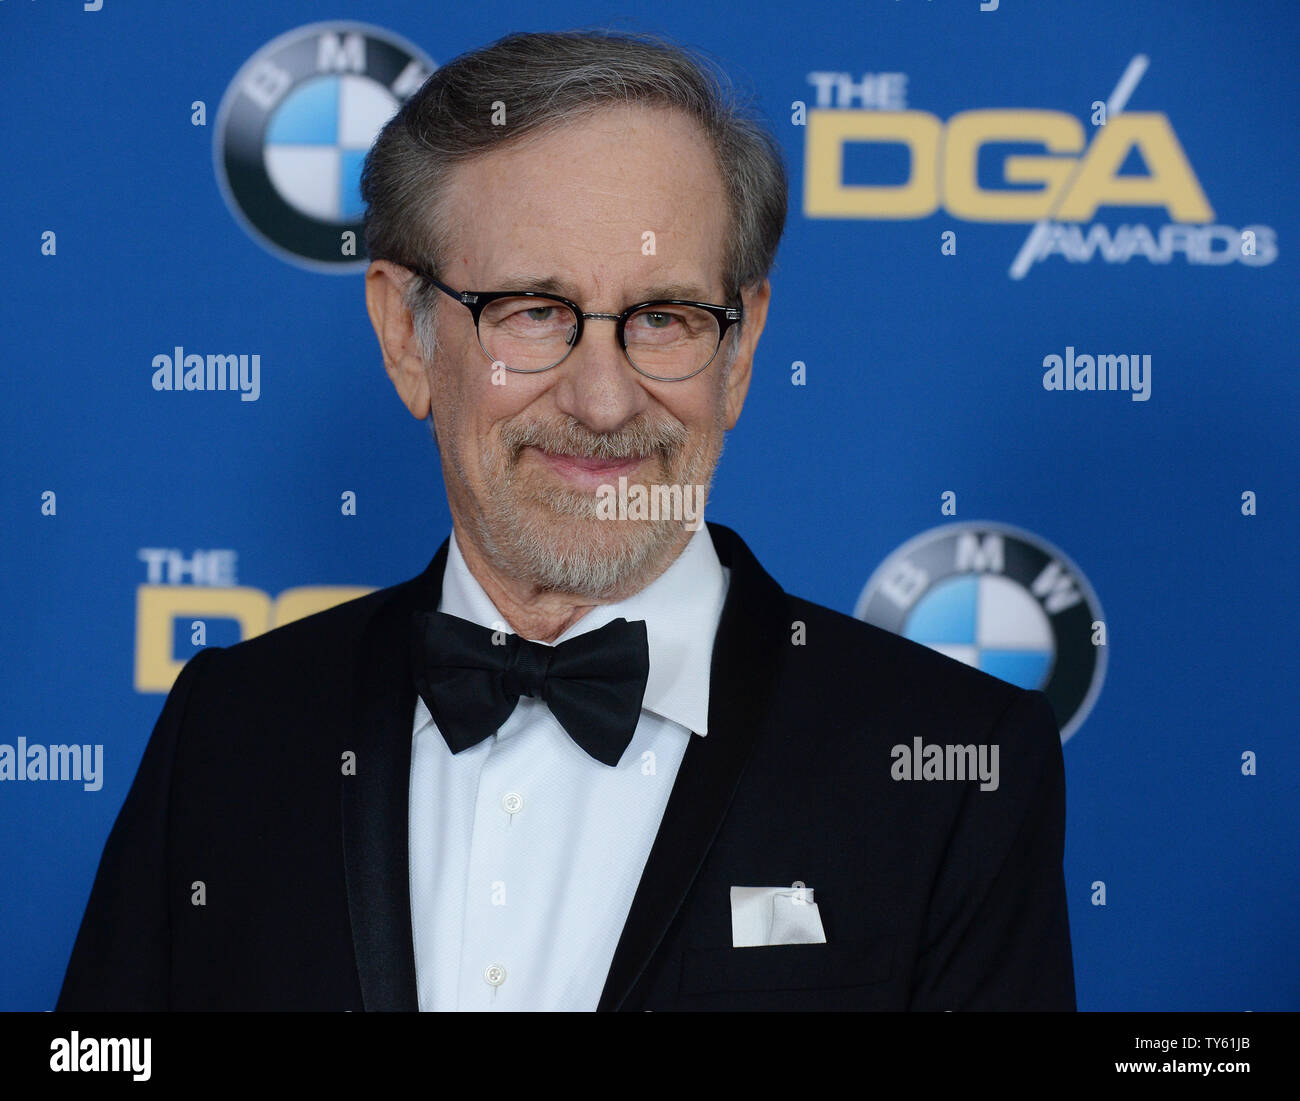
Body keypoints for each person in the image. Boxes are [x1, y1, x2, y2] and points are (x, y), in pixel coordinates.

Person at [57, 30, 1075, 1011]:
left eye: (664, 318)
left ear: (743, 345)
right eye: (533, 311)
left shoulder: (953, 765)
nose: (602, 401)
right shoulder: (232, 731)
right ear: (404, 336)